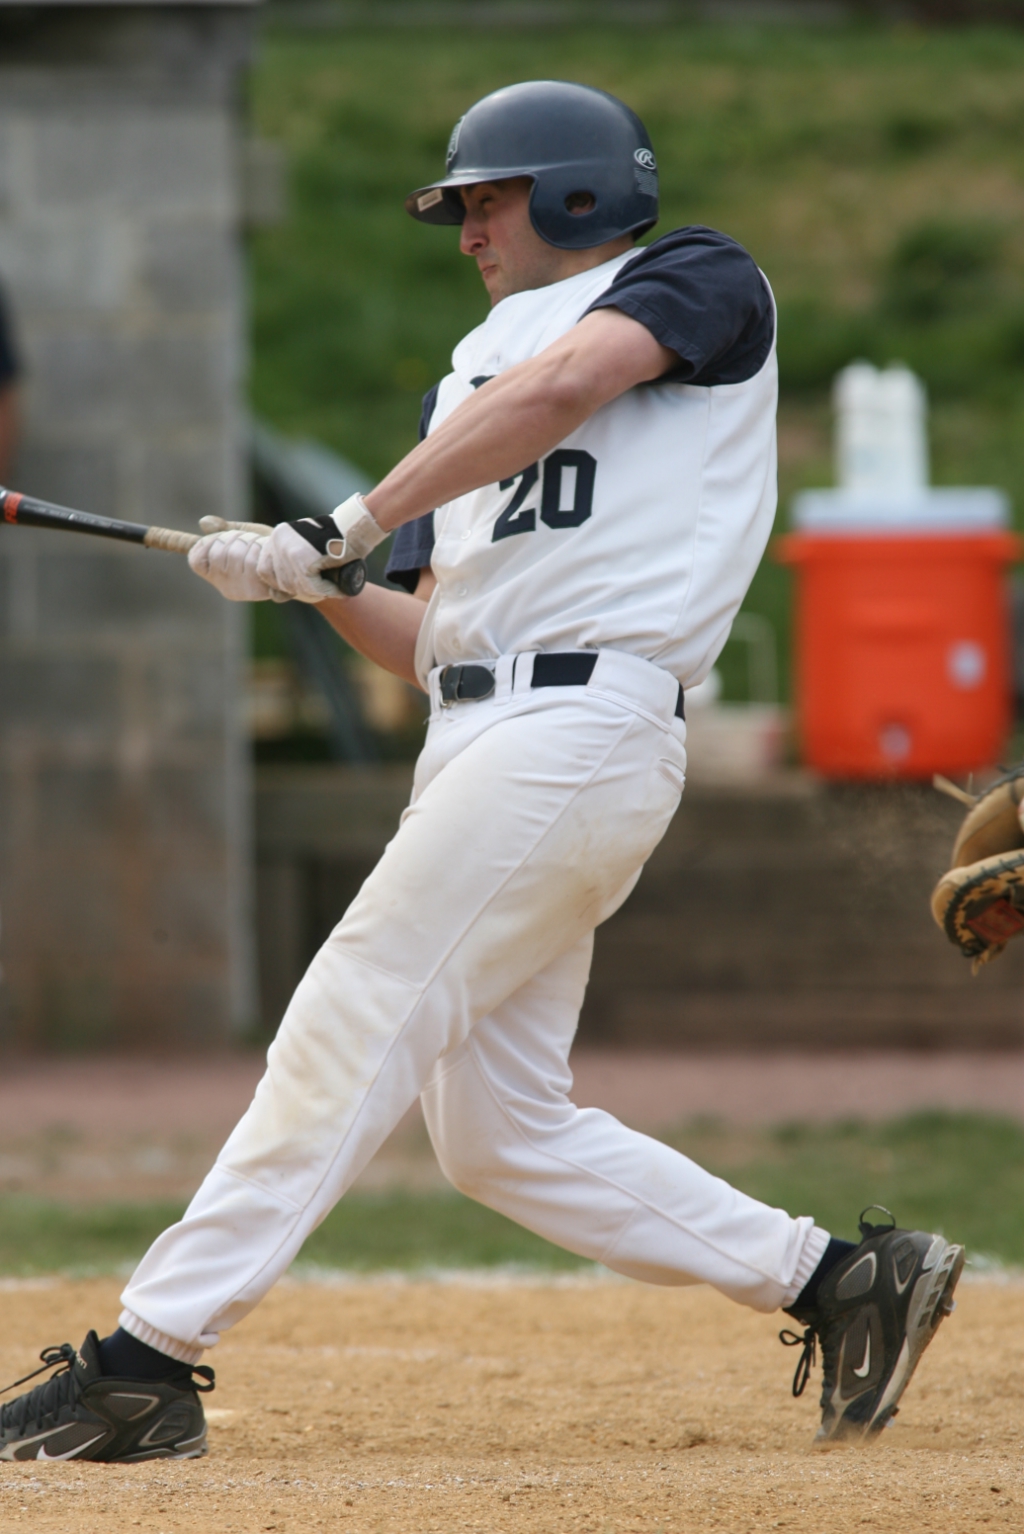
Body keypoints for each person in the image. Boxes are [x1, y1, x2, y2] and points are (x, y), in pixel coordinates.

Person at [0, 80, 962, 1464]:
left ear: (580, 190)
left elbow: (570, 385)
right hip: (483, 739)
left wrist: (346, 518)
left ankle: (142, 1363)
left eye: (488, 202)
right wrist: (313, 581)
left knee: (356, 1003)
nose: (465, 234)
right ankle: (838, 1279)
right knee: (498, 1133)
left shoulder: (694, 278)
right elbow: (429, 640)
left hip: (583, 727)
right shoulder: (461, 388)